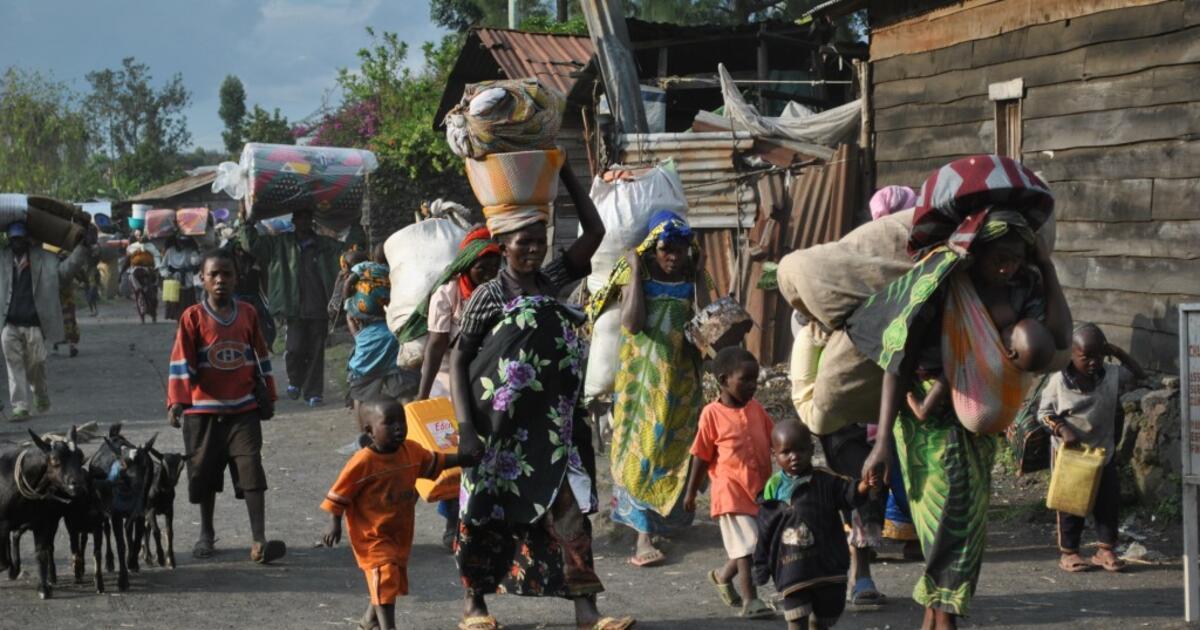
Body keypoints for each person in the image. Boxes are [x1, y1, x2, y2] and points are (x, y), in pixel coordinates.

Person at [852, 158, 1072, 630]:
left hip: (978, 425)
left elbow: (1057, 338)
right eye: (999, 254)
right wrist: (882, 441)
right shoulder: (943, 286)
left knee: (966, 527)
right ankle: (944, 618)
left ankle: (938, 618)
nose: (1008, 264)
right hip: (928, 425)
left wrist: (1046, 267)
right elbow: (898, 359)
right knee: (946, 522)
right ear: (974, 251)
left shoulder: (1024, 286)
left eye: (1017, 254)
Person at [451, 161, 633, 630]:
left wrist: (566, 173)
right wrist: (467, 430)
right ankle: (474, 605)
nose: (532, 250)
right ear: (503, 246)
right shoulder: (488, 296)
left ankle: (586, 610)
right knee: (483, 512)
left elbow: (594, 230)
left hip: (553, 431)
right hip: (497, 433)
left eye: (538, 240)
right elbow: (459, 359)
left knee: (570, 514)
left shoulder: (552, 280)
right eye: (522, 242)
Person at [593, 210, 706, 567]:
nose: (673, 256)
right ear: (651, 249)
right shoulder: (635, 275)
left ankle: (665, 520)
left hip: (682, 381)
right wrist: (638, 273)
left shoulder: (692, 277)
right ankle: (642, 535)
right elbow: (632, 322)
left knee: (676, 449)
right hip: (640, 384)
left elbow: (708, 323)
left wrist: (700, 274)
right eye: (665, 248)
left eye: (680, 249)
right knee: (641, 447)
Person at [167, 249, 286, 564]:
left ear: (236, 278)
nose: (221, 280)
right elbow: (181, 361)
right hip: (203, 411)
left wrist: (269, 397)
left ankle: (259, 538)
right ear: (202, 279)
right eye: (214, 274)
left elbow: (261, 356)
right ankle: (206, 534)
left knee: (251, 470)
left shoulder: (247, 314)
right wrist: (177, 402)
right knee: (203, 472)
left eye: (227, 274)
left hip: (243, 410)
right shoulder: (192, 317)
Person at [320, 398, 472, 630]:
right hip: (372, 534)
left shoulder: (410, 451)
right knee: (385, 573)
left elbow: (436, 461)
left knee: (390, 580)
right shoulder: (363, 462)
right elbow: (340, 492)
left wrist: (465, 458)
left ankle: (369, 621)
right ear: (370, 431)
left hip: (400, 531)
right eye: (389, 423)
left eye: (401, 421)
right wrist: (334, 522)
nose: (398, 427)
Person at [404, 225, 501, 551]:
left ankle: (482, 519)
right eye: (481, 266)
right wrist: (422, 393)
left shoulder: (500, 291)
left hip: (487, 382)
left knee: (488, 452)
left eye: (493, 265)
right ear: (466, 265)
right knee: (454, 455)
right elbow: (435, 346)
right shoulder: (447, 293)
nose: (487, 272)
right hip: (448, 382)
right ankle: (452, 522)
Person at [1038, 323, 1144, 574]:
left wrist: (1117, 352)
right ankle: (1070, 552)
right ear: (1072, 355)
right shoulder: (1059, 382)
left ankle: (1105, 550)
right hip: (1070, 453)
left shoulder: (1111, 374)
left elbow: (1138, 374)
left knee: (1108, 500)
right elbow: (1043, 414)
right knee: (1070, 503)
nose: (1093, 362)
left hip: (1101, 451)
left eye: (1098, 355)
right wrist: (1063, 430)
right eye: (1086, 357)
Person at [754, 421, 879, 629]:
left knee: (824, 618)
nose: (795, 456)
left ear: (812, 449)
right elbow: (765, 527)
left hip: (827, 566)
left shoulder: (826, 479)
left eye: (801, 450)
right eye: (786, 452)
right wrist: (761, 565)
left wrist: (864, 486)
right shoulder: (773, 488)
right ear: (774, 454)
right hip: (791, 567)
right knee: (796, 618)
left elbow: (848, 494)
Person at [683, 347, 776, 620]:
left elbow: (774, 439)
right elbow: (700, 456)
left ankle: (723, 576)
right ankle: (751, 600)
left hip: (759, 489)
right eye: (745, 380)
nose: (752, 386)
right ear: (723, 380)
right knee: (748, 545)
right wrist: (691, 492)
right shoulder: (711, 414)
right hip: (730, 491)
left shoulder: (756, 409)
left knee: (757, 543)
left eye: (755, 380)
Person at [250, 210, 341, 407]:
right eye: (300, 217)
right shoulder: (280, 243)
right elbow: (253, 245)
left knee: (317, 351)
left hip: (319, 306)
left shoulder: (324, 245)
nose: (304, 221)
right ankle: (295, 380)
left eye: (307, 217)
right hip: (293, 307)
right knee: (294, 348)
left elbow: (348, 248)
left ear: (312, 220)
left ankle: (314, 392)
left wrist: (355, 223)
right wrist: (246, 222)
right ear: (294, 221)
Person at [0, 222, 89, 419]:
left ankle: (40, 392)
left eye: (20, 239)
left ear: (28, 240)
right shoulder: (2, 259)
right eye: (13, 239)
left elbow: (65, 273)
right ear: (8, 240)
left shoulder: (45, 260)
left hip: (34, 323)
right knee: (13, 363)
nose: (17, 244)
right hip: (9, 323)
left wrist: (83, 247)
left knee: (37, 363)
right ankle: (20, 406)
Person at [906, 317, 1056, 420]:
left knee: (951, 368)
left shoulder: (993, 356)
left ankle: (924, 407)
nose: (1008, 326)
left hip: (965, 377)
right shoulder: (1020, 371)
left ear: (1010, 353)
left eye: (1011, 330)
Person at [161, 235, 202, 320]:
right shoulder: (170, 251)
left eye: (183, 242)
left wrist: (196, 253)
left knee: (188, 307)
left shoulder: (190, 251)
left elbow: (195, 263)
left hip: (187, 281)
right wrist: (168, 274)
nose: (181, 244)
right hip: (173, 282)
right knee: (176, 309)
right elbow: (163, 267)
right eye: (179, 242)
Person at [128, 242, 160, 324]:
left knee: (152, 296)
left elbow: (157, 261)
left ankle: (153, 316)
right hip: (137, 276)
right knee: (140, 296)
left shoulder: (152, 248)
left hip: (150, 274)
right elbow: (127, 261)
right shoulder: (132, 249)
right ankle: (143, 317)